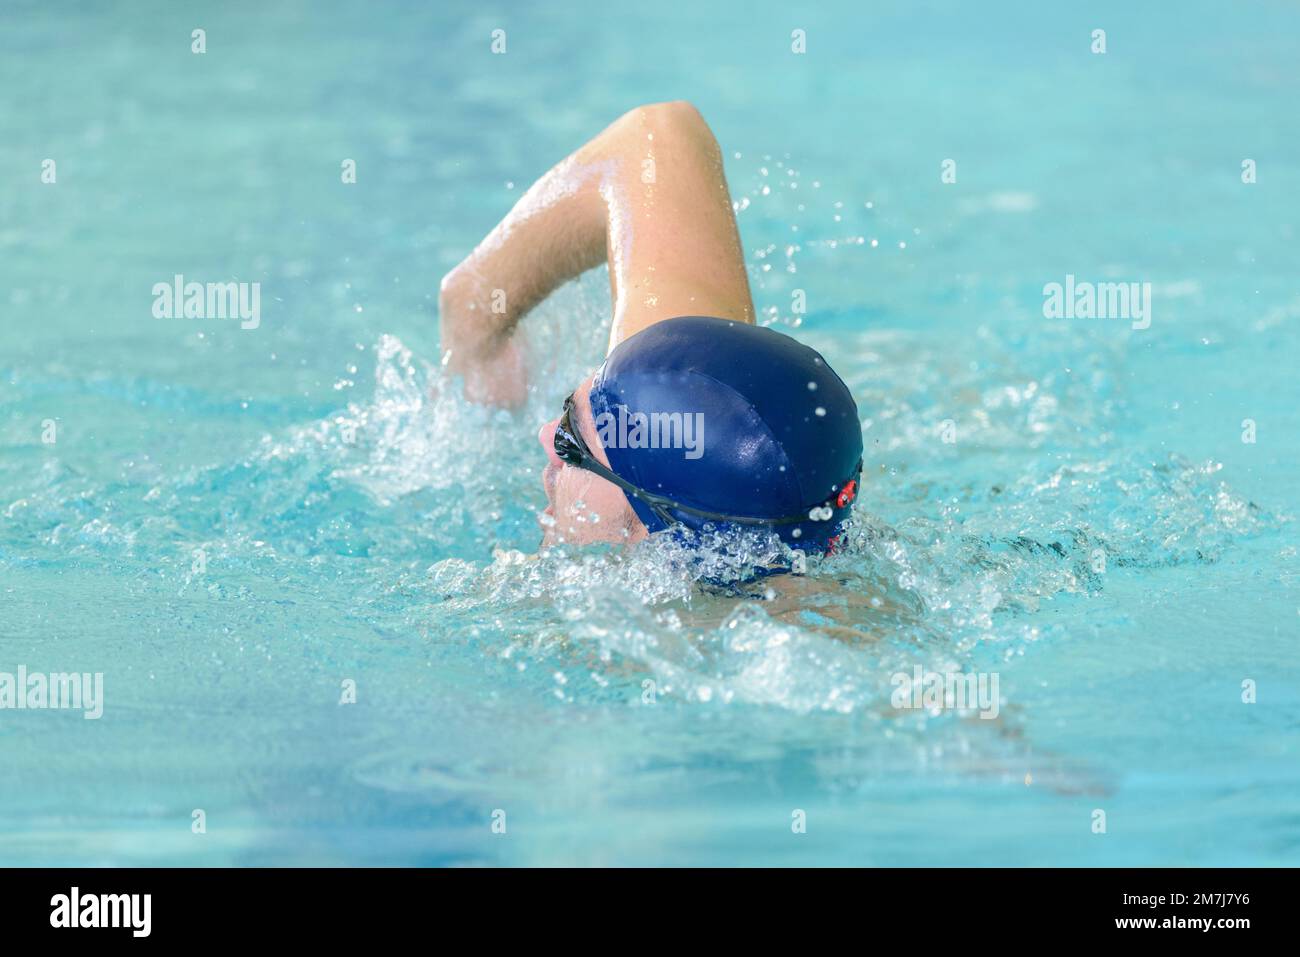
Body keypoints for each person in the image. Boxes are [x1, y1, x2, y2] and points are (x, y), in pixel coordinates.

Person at [439, 101, 862, 562]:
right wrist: (480, 340)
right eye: (565, 414)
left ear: (652, 538)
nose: (545, 435)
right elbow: (655, 138)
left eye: (572, 442)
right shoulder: (679, 381)